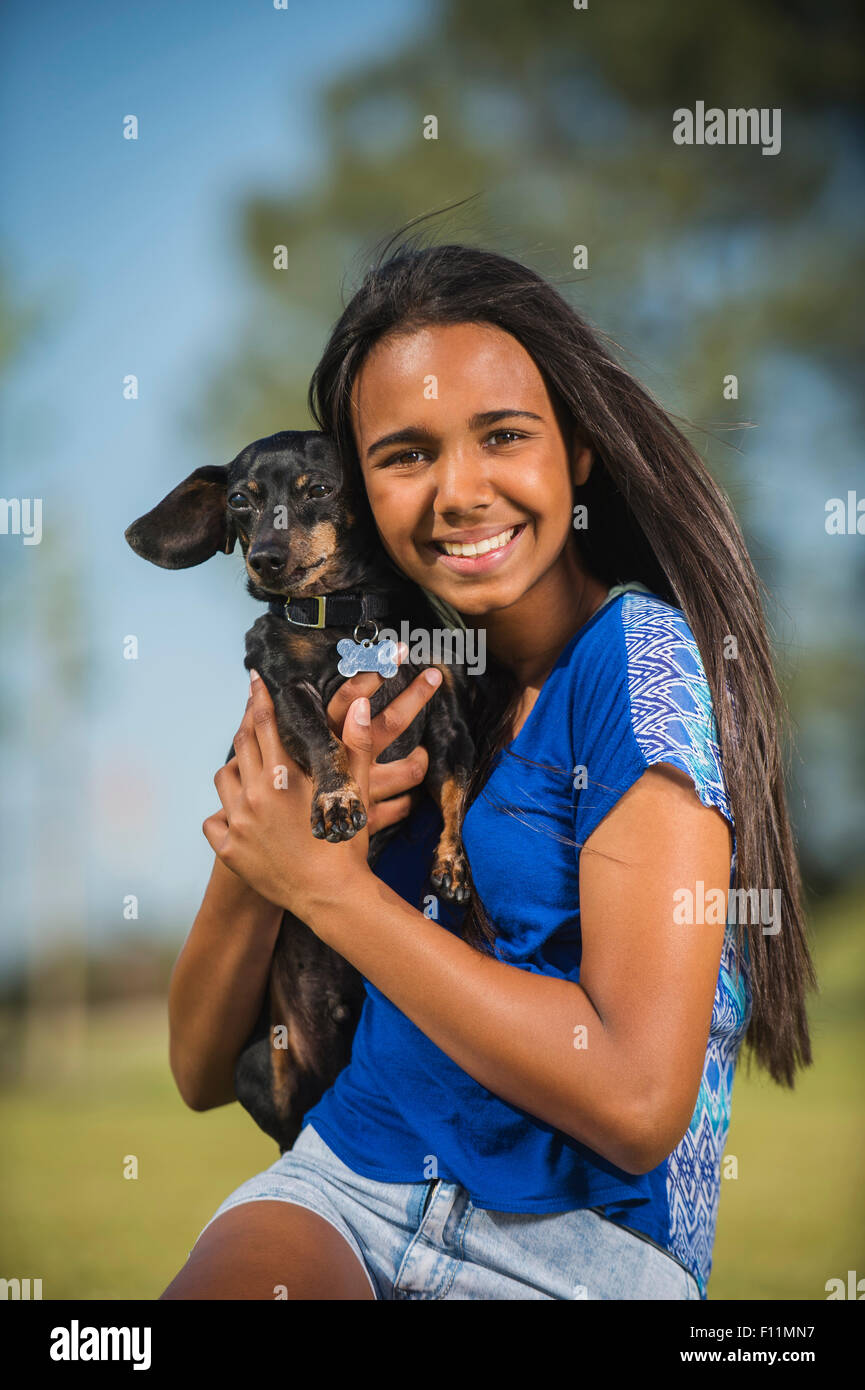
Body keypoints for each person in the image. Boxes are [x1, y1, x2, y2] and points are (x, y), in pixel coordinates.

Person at [160, 237, 816, 1300]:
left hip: (578, 1250)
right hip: (339, 1185)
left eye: (503, 435)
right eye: (406, 453)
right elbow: (198, 1069)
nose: (459, 491)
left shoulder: (635, 666)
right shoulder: (376, 689)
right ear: (358, 487)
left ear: (579, 450)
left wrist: (326, 889)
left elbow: (639, 1102)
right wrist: (258, 862)